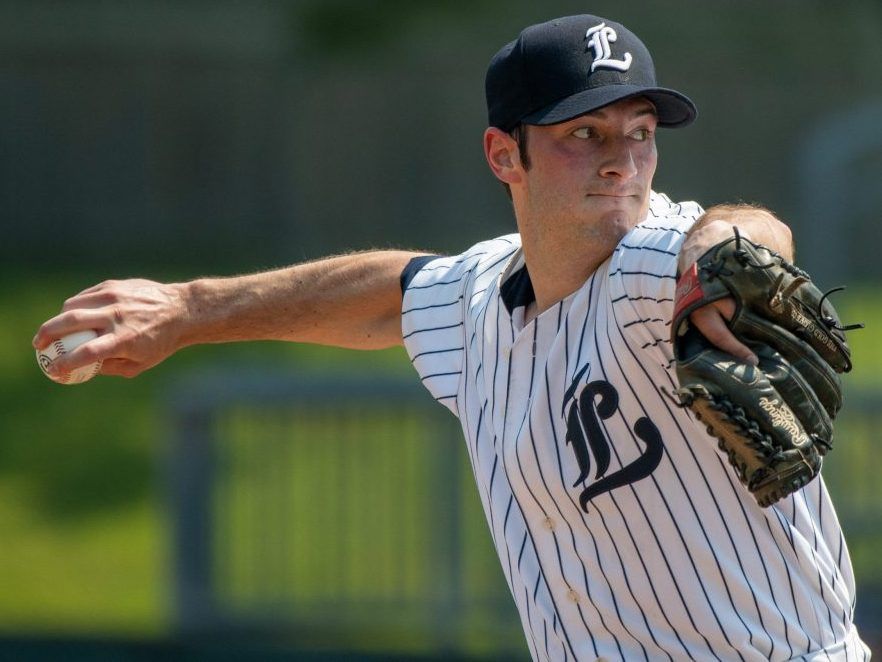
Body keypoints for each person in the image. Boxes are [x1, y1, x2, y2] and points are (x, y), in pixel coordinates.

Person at [34, 14, 869, 660]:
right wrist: (189, 309)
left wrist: (726, 257)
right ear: (506, 156)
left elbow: (740, 228)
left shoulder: (656, 271)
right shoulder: (481, 299)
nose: (622, 160)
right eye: (584, 134)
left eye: (639, 131)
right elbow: (388, 292)